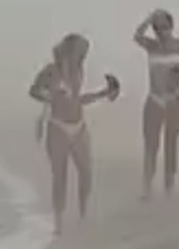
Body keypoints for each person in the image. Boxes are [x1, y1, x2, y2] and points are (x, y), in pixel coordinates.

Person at [29, 34, 120, 233]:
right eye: (81, 51)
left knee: (86, 173)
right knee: (59, 176)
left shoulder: (79, 71)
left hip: (78, 125)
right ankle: (58, 222)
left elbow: (78, 100)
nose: (84, 55)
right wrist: (50, 95)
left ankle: (83, 214)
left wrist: (103, 93)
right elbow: (33, 91)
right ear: (69, 50)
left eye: (84, 53)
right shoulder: (50, 71)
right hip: (58, 126)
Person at [133, 9, 179, 199]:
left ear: (172, 27)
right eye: (158, 28)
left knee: (171, 142)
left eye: (165, 27)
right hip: (155, 99)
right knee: (151, 144)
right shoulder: (151, 45)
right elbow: (137, 36)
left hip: (175, 99)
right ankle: (147, 187)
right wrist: (148, 18)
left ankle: (169, 186)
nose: (162, 31)